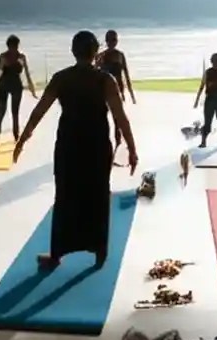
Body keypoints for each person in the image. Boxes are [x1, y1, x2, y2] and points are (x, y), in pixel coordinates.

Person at [15, 30, 138, 270]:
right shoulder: (105, 80)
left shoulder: (62, 78)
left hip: (70, 144)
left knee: (65, 196)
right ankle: (99, 251)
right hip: (97, 145)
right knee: (98, 196)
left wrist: (23, 139)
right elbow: (120, 117)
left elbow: (39, 111)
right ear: (96, 53)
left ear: (73, 51)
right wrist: (132, 149)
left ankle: (57, 254)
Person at [0, 34, 37, 145]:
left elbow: (27, 74)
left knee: (15, 113)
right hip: (5, 86)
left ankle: (16, 139)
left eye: (15, 46)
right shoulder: (4, 57)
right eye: (12, 46)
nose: (13, 49)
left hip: (13, 86)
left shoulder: (20, 57)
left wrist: (32, 89)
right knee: (1, 113)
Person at [96, 29, 136, 151]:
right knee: (102, 117)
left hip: (118, 90)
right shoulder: (101, 56)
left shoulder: (120, 55)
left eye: (115, 40)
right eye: (110, 40)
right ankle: (104, 144)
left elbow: (126, 74)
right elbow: (94, 73)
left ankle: (117, 144)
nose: (113, 42)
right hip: (103, 91)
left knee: (118, 119)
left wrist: (131, 93)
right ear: (107, 41)